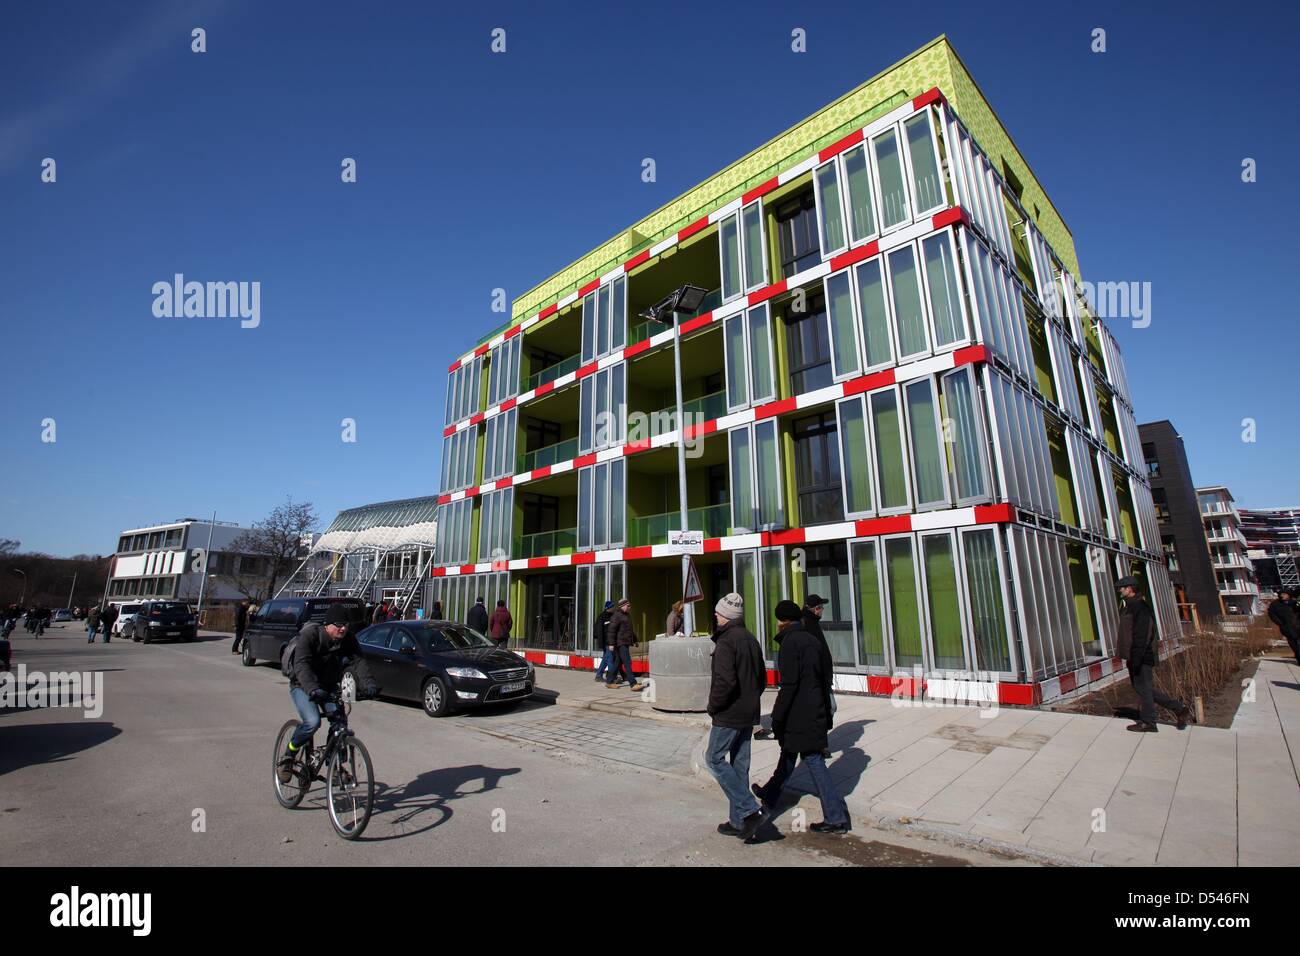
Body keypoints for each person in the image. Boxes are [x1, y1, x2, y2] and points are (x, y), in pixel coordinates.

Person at [752, 600, 850, 833]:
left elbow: (789, 685)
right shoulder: (811, 640)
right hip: (813, 709)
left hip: (800, 714)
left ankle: (835, 817)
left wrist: (777, 715)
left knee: (813, 761)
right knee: (788, 755)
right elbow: (824, 676)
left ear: (781, 620)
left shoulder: (789, 643)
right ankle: (770, 793)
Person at [277, 605, 380, 783]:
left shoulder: (347, 639)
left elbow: (359, 661)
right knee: (312, 722)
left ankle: (336, 768)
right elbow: (302, 665)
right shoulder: (310, 636)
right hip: (302, 685)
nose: (344, 628)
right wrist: (312, 689)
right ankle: (289, 755)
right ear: (327, 624)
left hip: (329, 685)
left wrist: (369, 683)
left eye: (346, 624)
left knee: (339, 725)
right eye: (339, 624)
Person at [706, 592, 767, 841]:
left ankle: (750, 810)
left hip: (729, 714)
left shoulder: (726, 642)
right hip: (748, 713)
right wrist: (751, 699)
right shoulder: (751, 639)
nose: (716, 616)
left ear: (727, 617)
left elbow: (725, 681)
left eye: (719, 613)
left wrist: (713, 706)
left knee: (714, 759)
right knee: (739, 766)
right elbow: (761, 678)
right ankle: (738, 821)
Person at [1116, 576, 1189, 733]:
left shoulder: (1140, 607)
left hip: (1142, 655)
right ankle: (1179, 708)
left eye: (1122, 587)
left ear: (1130, 589)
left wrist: (1136, 657)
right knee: (1141, 687)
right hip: (1135, 655)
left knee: (1144, 687)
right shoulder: (1129, 606)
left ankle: (1149, 722)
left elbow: (1142, 635)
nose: (1119, 590)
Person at [801, 594, 836, 758]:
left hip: (823, 678)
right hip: (817, 678)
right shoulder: (807, 625)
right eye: (821, 607)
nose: (822, 610)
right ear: (815, 609)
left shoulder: (813, 623)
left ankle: (819, 743)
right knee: (826, 709)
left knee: (828, 709)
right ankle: (818, 744)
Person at [605, 597, 646, 691]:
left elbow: (629, 630)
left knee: (618, 663)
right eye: (628, 605)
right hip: (620, 643)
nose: (629, 607)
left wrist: (634, 640)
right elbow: (611, 630)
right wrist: (611, 644)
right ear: (622, 606)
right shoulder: (617, 616)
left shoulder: (626, 615)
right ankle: (633, 684)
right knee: (627, 662)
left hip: (625, 642)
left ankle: (609, 681)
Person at [1267, 588, 1300, 664]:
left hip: (1297, 626)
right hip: (1287, 627)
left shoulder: (1294, 602)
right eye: (1281, 594)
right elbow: (1272, 614)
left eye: (1284, 594)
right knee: (1293, 645)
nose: (1282, 596)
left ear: (1289, 595)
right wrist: (1280, 623)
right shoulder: (1275, 604)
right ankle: (1298, 657)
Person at [593, 600, 615, 682]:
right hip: (606, 642)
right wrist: (601, 643)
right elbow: (599, 631)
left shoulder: (613, 616)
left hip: (611, 641)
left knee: (606, 659)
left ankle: (598, 675)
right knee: (610, 660)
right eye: (612, 606)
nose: (614, 608)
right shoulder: (602, 617)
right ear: (609, 607)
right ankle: (612, 678)